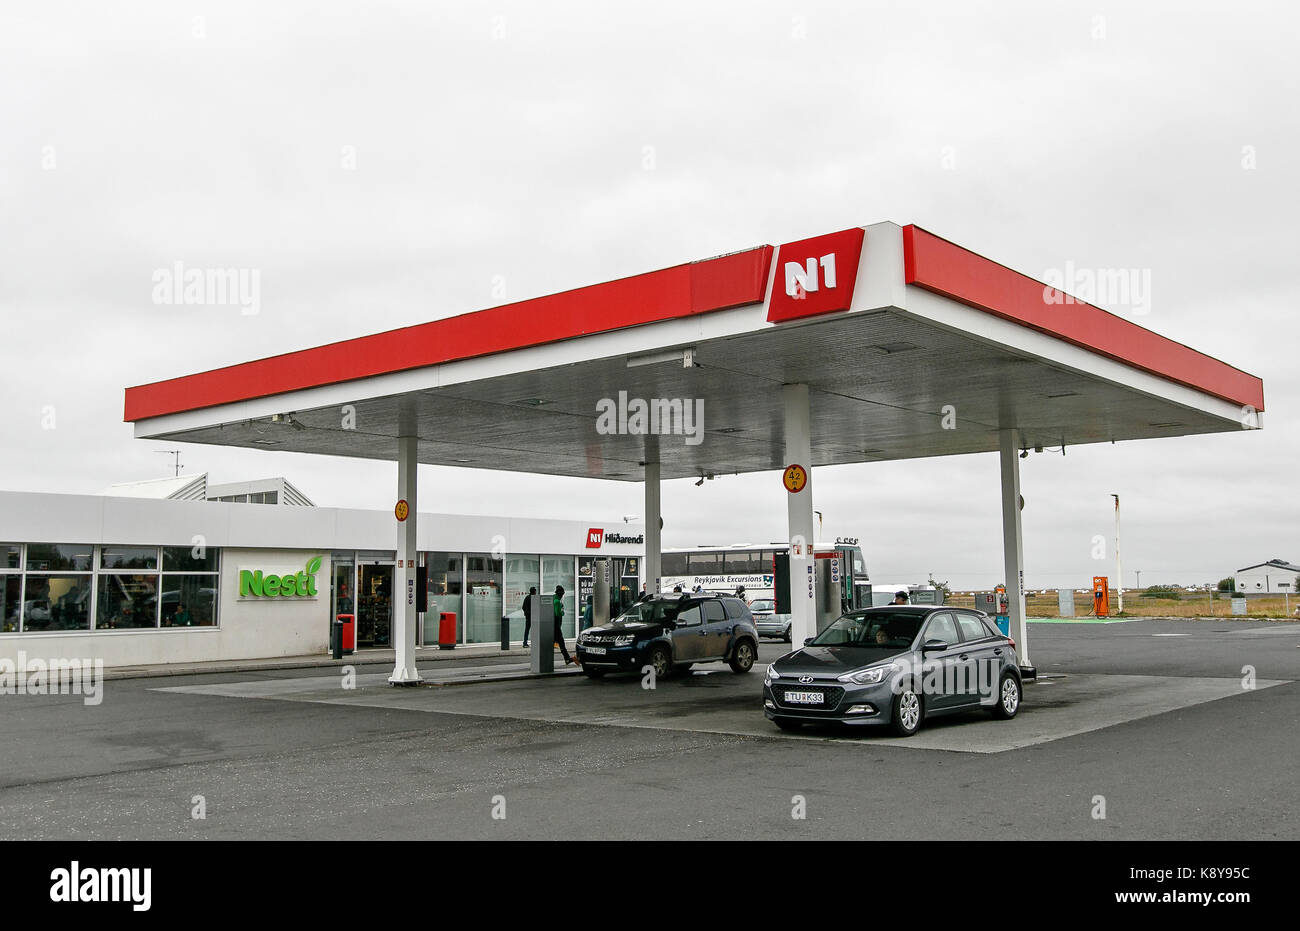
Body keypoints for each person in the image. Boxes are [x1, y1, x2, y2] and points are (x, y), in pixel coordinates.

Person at [553, 585, 576, 665]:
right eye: (562, 594)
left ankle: (567, 659)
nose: (562, 595)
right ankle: (567, 659)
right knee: (561, 642)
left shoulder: (553, 598)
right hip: (555, 625)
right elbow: (558, 613)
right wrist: (562, 612)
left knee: (557, 642)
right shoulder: (557, 601)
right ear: (560, 594)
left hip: (553, 625)